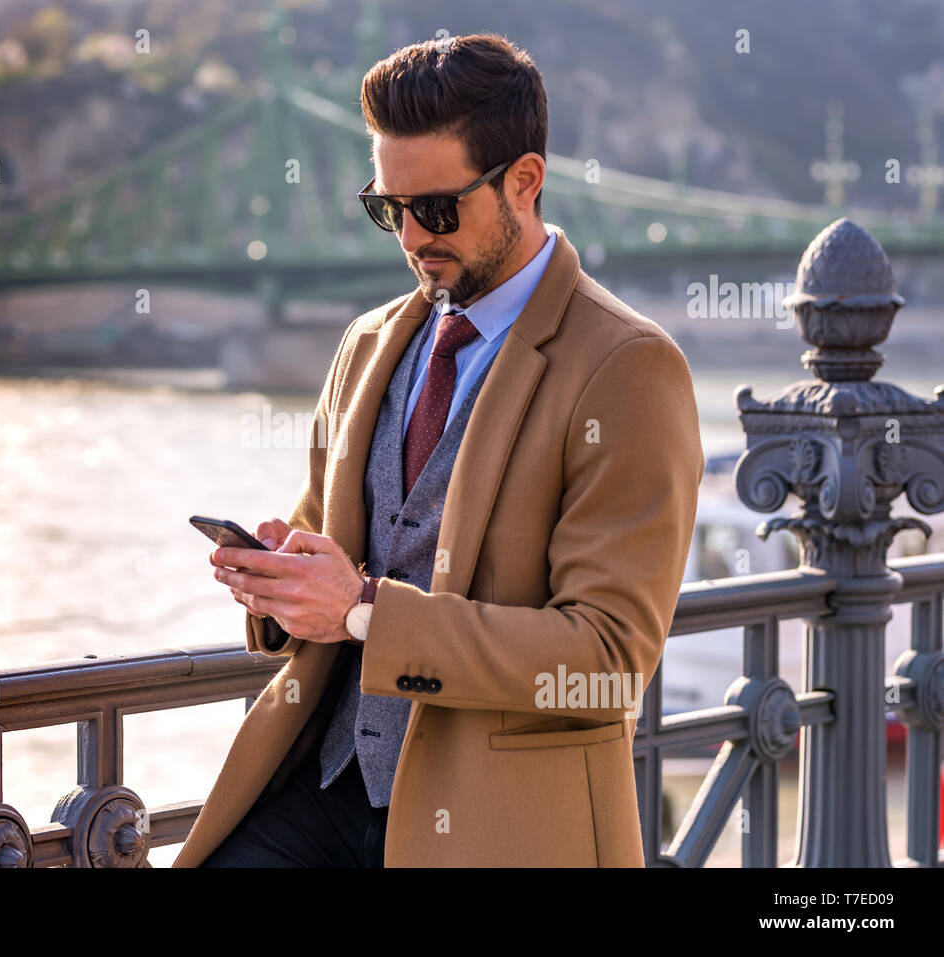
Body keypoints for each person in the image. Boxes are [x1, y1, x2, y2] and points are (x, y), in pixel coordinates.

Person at [174, 32, 703, 868]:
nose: (414, 236)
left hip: (497, 822)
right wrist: (282, 578)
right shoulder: (368, 341)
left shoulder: (627, 369)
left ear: (524, 182)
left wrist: (362, 611)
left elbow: (608, 657)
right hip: (322, 782)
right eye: (390, 209)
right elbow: (335, 551)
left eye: (439, 208)